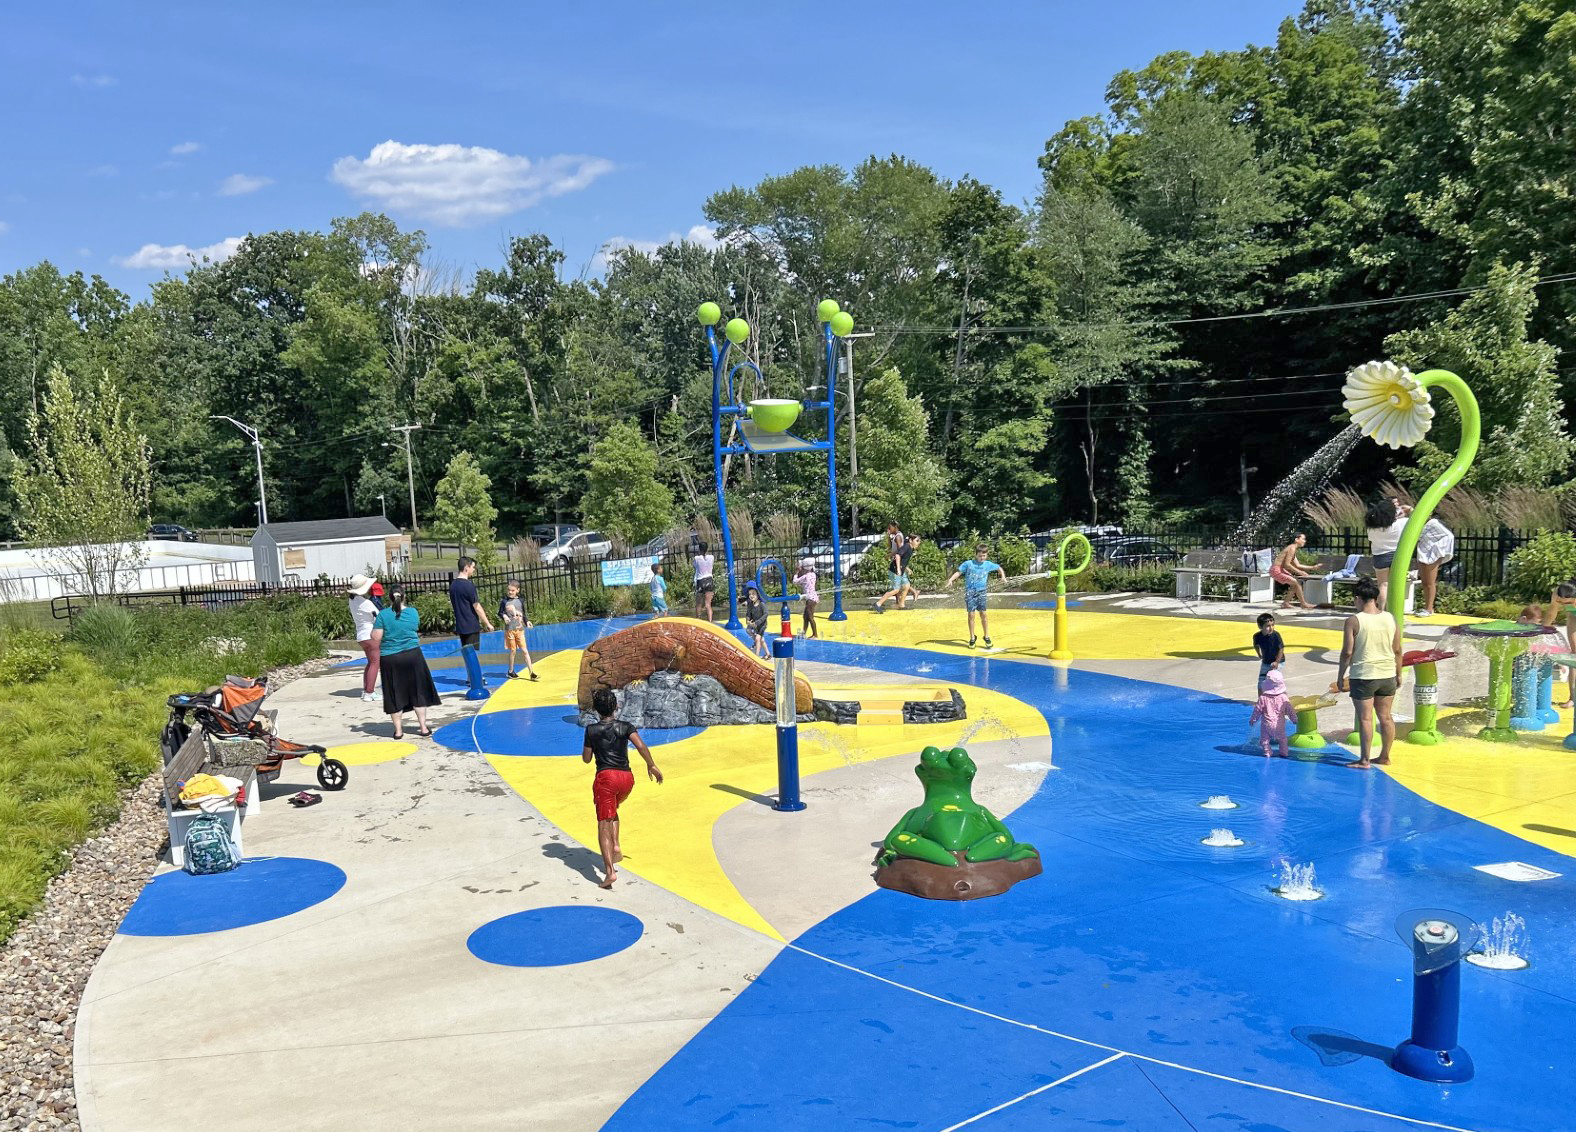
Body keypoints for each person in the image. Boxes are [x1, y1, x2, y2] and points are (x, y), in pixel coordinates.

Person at [581, 687, 662, 889]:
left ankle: (609, 872)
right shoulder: (626, 726)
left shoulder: (591, 730)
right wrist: (651, 765)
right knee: (613, 810)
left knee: (603, 823)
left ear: (596, 709)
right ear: (616, 706)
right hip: (626, 779)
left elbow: (586, 759)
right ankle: (616, 846)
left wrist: (593, 745)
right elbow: (641, 746)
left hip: (606, 779)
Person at [1336, 576, 1403, 770]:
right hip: (1387, 674)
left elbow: (1347, 652)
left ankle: (1364, 760)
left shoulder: (1354, 621)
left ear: (1358, 598)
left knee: (1366, 718)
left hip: (1364, 675)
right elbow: (1397, 649)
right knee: (1386, 717)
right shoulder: (1390, 618)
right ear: (1375, 597)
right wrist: (1398, 673)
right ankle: (1385, 756)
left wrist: (1340, 676)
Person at [371, 585, 440, 739]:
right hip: (413, 655)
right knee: (418, 691)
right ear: (404, 596)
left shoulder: (383, 615)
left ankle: (398, 731)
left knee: (394, 693)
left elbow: (376, 637)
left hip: (390, 658)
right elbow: (414, 628)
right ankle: (423, 728)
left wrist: (374, 624)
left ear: (389, 598)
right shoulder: (413, 612)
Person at [449, 556, 496, 700]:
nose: (474, 570)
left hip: (461, 624)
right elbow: (477, 606)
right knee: (471, 653)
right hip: (470, 623)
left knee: (466, 651)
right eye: (473, 567)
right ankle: (476, 680)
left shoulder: (453, 585)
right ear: (466, 567)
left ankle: (470, 677)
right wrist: (487, 623)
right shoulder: (468, 586)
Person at [945, 543, 1007, 649]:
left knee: (983, 614)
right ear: (976, 554)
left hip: (981, 592)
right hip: (970, 593)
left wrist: (1003, 577)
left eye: (984, 556)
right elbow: (959, 572)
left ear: (987, 555)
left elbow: (999, 568)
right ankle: (972, 638)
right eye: (980, 556)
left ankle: (986, 636)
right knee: (971, 615)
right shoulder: (968, 564)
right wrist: (951, 579)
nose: (982, 558)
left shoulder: (988, 564)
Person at [1364, 497, 1408, 607]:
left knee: (1383, 585)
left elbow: (1370, 539)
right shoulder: (1400, 523)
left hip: (1380, 556)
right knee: (1397, 585)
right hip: (1397, 555)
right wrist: (1410, 510)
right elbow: (1417, 520)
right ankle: (1395, 609)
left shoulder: (1372, 527)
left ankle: (1381, 610)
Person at [347, 574, 381, 704]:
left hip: (361, 636)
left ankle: (367, 690)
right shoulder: (366, 603)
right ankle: (369, 693)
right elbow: (378, 617)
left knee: (370, 663)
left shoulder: (352, 601)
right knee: (375, 663)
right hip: (370, 635)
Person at [1413, 516, 1455, 617]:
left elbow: (1449, 536)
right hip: (1423, 552)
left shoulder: (1434, 524)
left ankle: (1429, 608)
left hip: (1431, 554)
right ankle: (1427, 607)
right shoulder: (1418, 524)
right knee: (1424, 582)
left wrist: (1437, 550)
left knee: (1429, 583)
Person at [497, 580, 537, 680]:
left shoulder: (520, 600)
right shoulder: (504, 602)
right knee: (513, 650)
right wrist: (504, 616)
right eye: (509, 590)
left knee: (524, 650)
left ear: (517, 590)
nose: (510, 592)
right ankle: (510, 671)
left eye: (513, 590)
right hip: (510, 630)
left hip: (520, 630)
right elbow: (500, 612)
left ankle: (531, 672)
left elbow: (523, 613)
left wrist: (527, 621)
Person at [1249, 668, 1292, 758]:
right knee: (1282, 739)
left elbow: (1257, 710)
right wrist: (1294, 718)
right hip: (1279, 724)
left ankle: (1267, 752)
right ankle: (1284, 752)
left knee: (1264, 740)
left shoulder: (1263, 698)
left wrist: (1253, 719)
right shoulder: (1283, 697)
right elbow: (1289, 709)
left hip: (1266, 724)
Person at [873, 531, 917, 612]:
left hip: (901, 570)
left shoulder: (911, 548)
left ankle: (901, 605)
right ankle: (878, 603)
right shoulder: (906, 547)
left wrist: (906, 568)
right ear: (911, 540)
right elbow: (897, 555)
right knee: (896, 590)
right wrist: (898, 569)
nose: (918, 543)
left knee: (906, 585)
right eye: (917, 540)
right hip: (895, 570)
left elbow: (903, 560)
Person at [1270, 534, 1315, 611]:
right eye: (1303, 539)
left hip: (1278, 569)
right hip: (1276, 570)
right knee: (1296, 583)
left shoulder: (1292, 548)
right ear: (1296, 540)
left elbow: (1298, 565)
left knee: (1295, 584)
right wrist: (1300, 572)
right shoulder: (1292, 548)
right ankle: (1303, 604)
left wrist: (1313, 567)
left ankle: (1286, 603)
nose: (1304, 541)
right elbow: (1287, 565)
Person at [1252, 612, 1285, 687]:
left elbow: (1281, 649)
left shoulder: (1276, 635)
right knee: (1261, 681)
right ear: (1260, 626)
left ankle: (1277, 692)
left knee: (1272, 679)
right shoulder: (1257, 636)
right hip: (1266, 661)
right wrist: (1259, 654)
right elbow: (1256, 645)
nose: (1271, 628)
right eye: (1268, 626)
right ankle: (1261, 694)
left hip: (1278, 661)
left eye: (1272, 625)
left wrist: (1277, 662)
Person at [793, 557, 819, 638]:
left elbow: (795, 581)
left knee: (810, 617)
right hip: (813, 598)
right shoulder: (813, 575)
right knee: (805, 616)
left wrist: (797, 572)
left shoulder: (805, 577)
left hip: (810, 599)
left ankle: (815, 634)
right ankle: (804, 632)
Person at [744, 583, 769, 658]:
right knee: (760, 639)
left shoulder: (762, 604)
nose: (751, 596)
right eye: (750, 594)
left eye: (753, 594)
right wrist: (748, 620)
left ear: (758, 594)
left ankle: (756, 656)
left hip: (762, 625)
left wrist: (757, 622)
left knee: (758, 639)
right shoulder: (751, 605)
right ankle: (768, 654)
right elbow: (748, 613)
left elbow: (766, 614)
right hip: (755, 624)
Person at [693, 541, 716, 621]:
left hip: (701, 581)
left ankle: (698, 620)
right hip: (709, 580)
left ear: (699, 549)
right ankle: (710, 621)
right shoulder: (711, 557)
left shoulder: (696, 558)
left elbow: (695, 566)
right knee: (708, 604)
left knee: (699, 603)